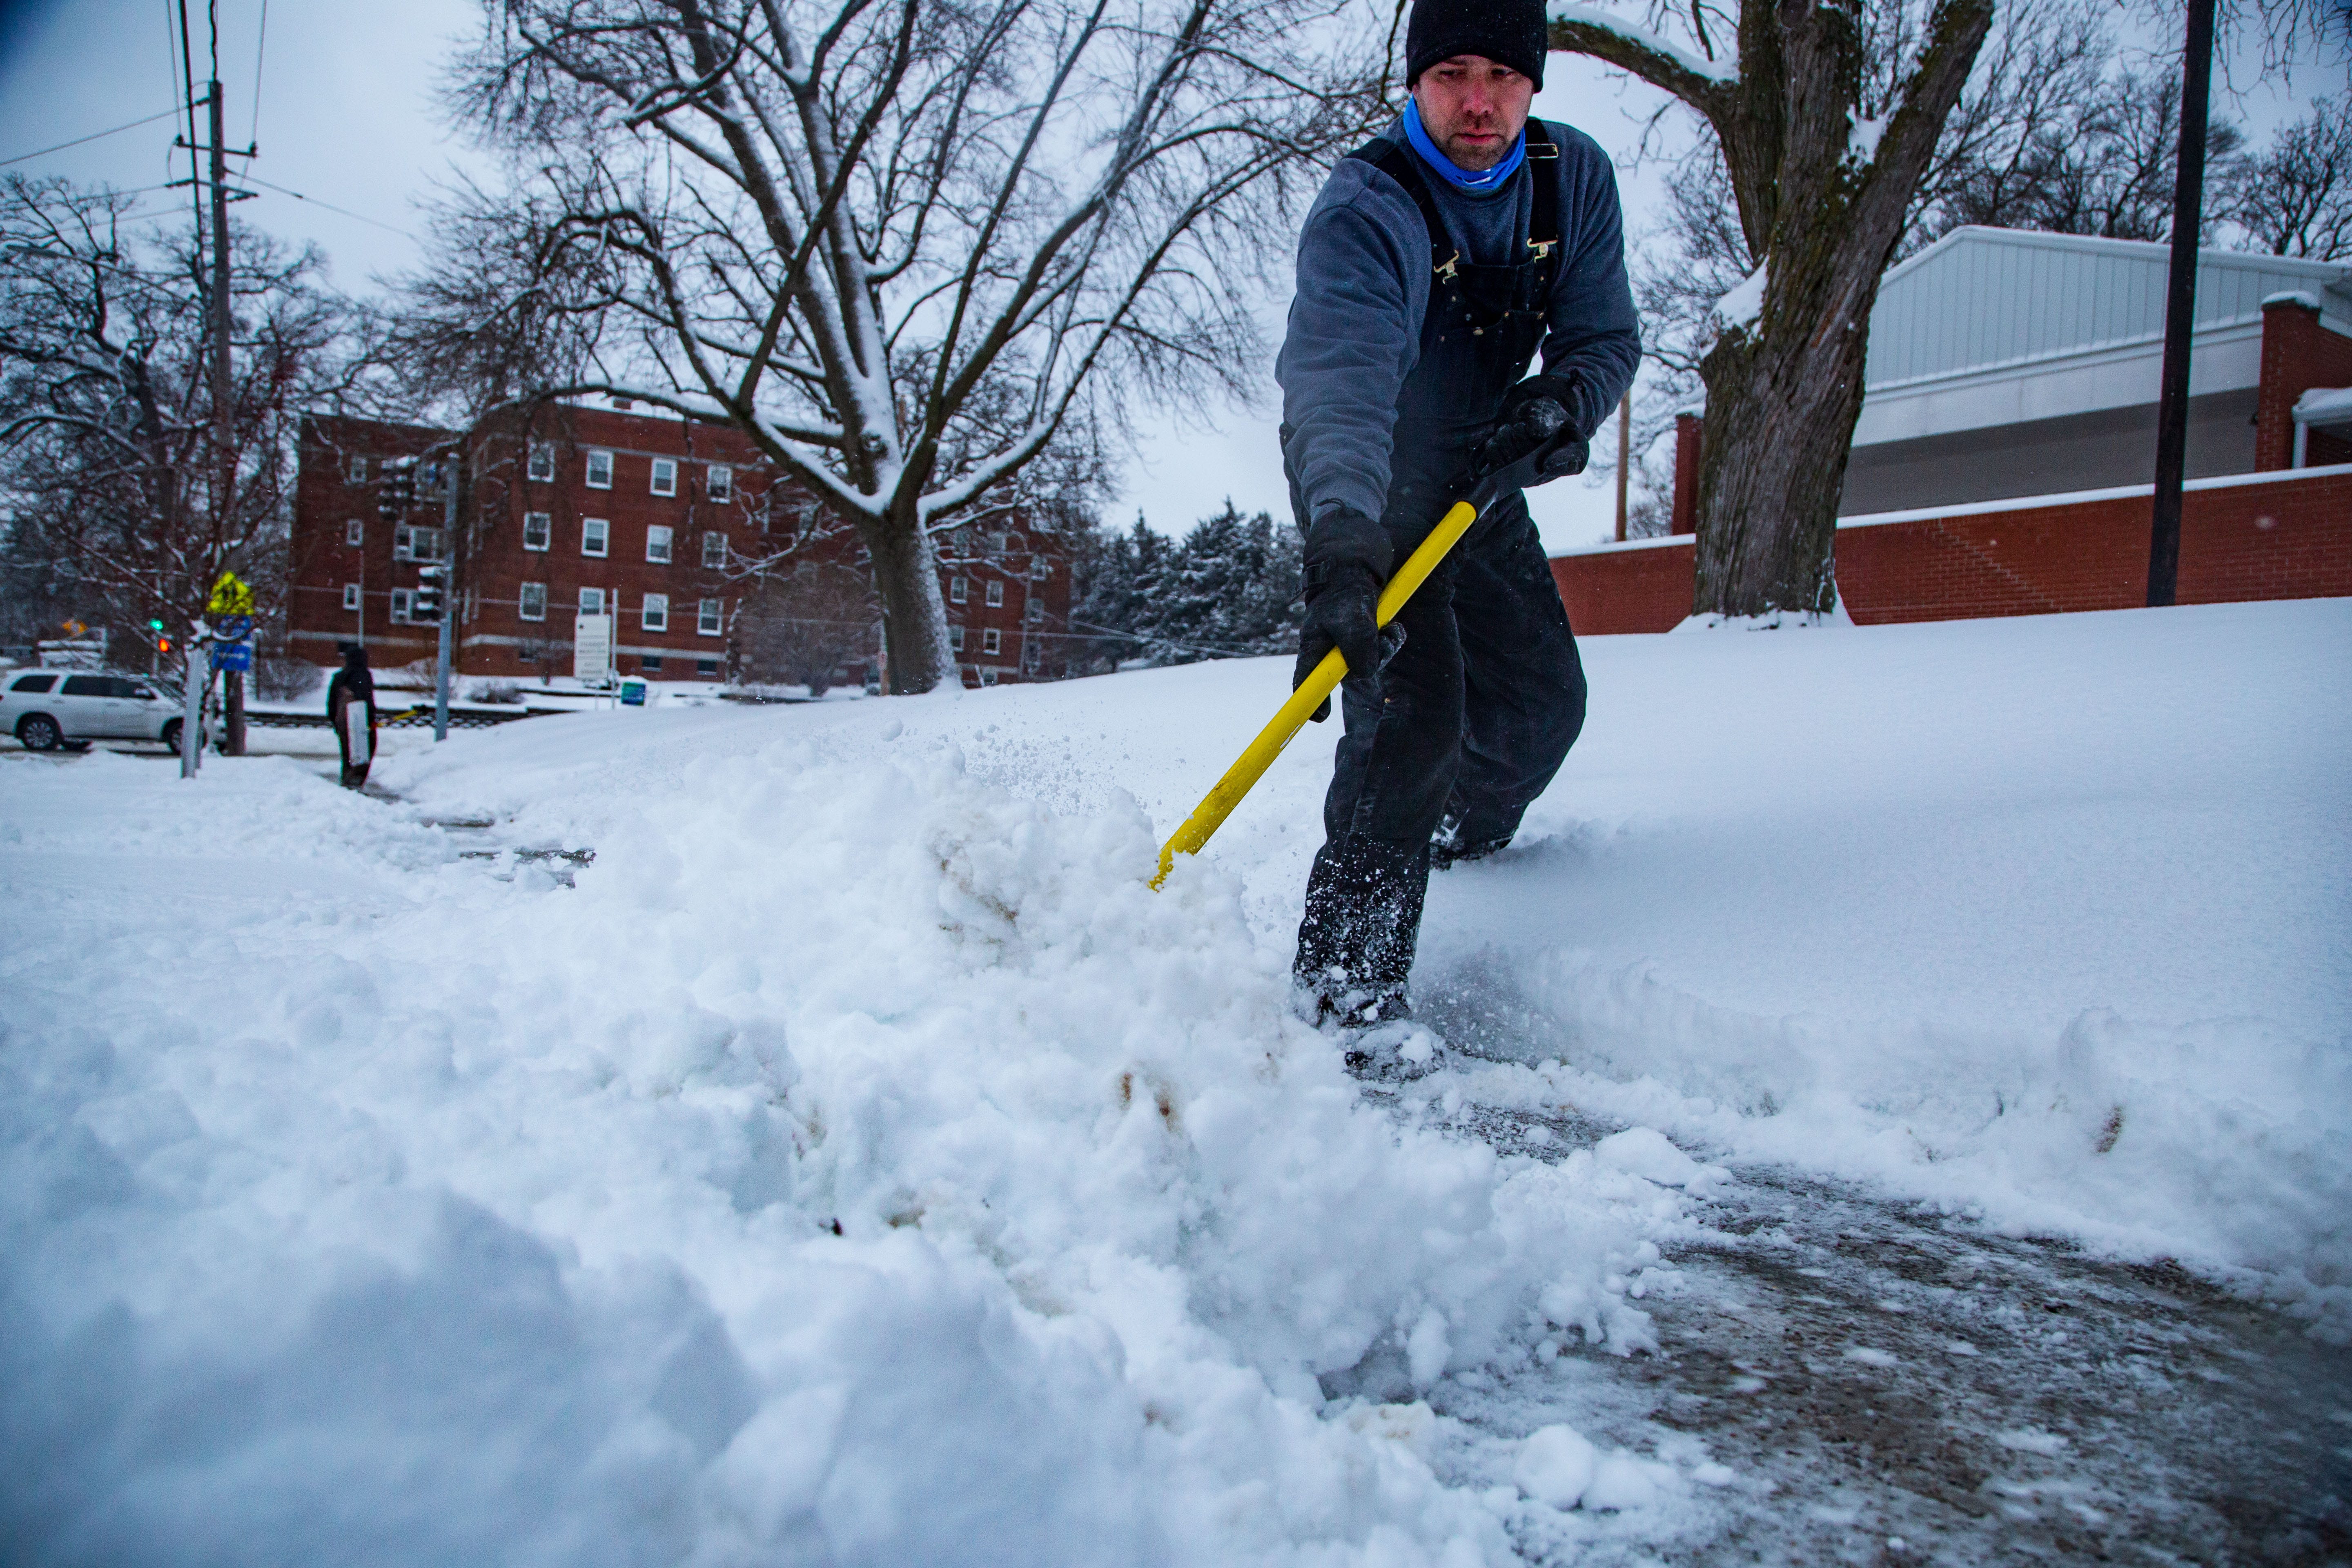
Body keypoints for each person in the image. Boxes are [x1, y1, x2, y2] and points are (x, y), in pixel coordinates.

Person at [1278, 0, 1639, 1060]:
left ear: (1533, 83)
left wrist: (1560, 406)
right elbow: (1338, 385)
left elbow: (1604, 334)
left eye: (1500, 74)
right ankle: (1342, 1006)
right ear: (1415, 82)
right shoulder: (1370, 204)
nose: (1475, 99)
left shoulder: (1570, 180)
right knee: (1409, 729)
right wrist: (1344, 554)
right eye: (1450, 74)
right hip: (1378, 488)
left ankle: (1444, 837)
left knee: (1541, 710)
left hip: (1483, 479)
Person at [326, 642, 379, 790]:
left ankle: (347, 781)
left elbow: (331, 703)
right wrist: (371, 721)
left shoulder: (339, 677)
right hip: (362, 722)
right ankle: (355, 783)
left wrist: (336, 723)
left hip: (343, 723)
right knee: (364, 753)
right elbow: (367, 701)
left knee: (347, 755)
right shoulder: (364, 675)